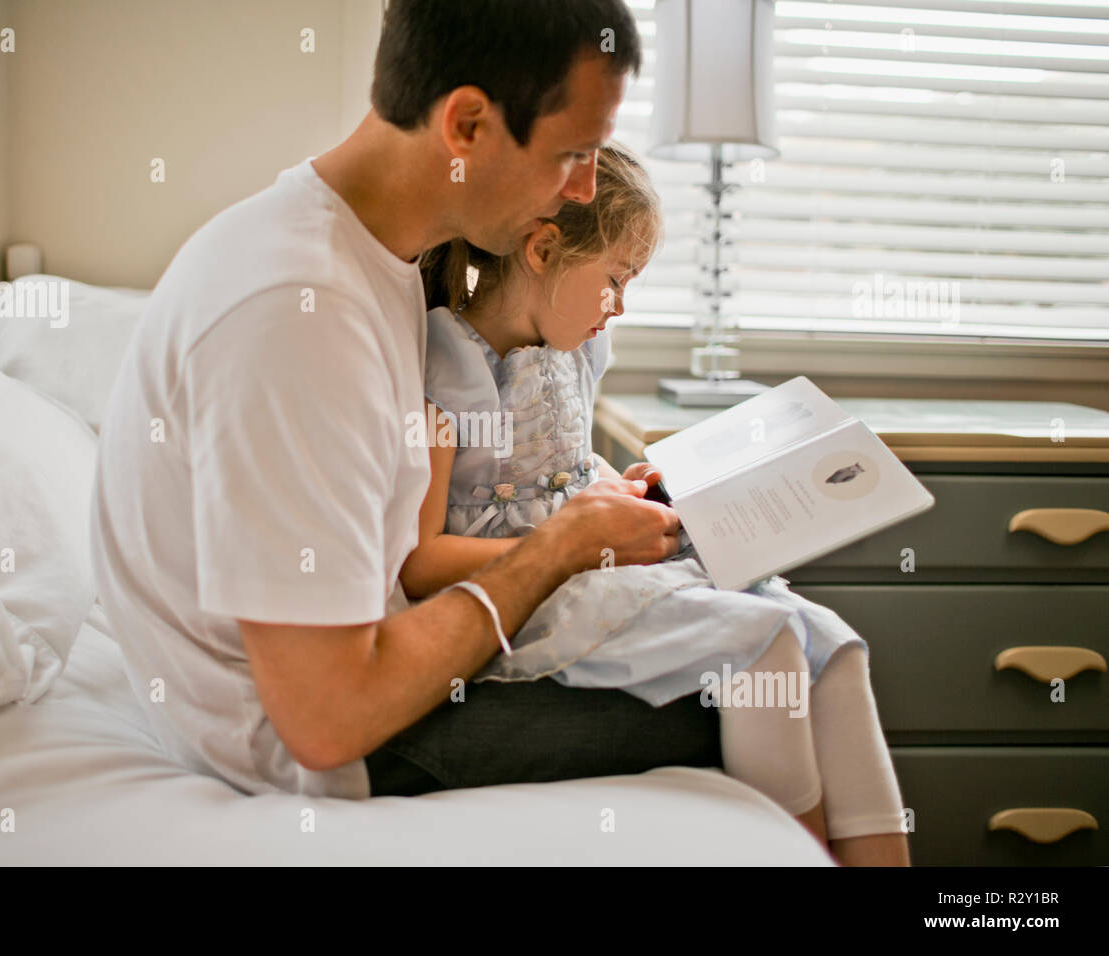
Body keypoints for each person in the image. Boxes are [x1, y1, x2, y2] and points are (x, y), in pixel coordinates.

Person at [89, 0, 906, 866]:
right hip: (338, 745)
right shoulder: (296, 310)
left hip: (379, 675)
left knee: (813, 645)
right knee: (770, 675)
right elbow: (325, 720)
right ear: (468, 125)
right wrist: (563, 546)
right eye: (572, 155)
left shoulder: (378, 262)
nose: (584, 189)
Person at [398, 142, 909, 861]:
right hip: (533, 590)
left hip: (597, 559)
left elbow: (565, 470)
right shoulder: (448, 370)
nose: (620, 306)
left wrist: (621, 486)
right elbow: (420, 562)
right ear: (542, 250)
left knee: (831, 640)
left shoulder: (574, 351)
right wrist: (569, 542)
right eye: (615, 279)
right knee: (767, 644)